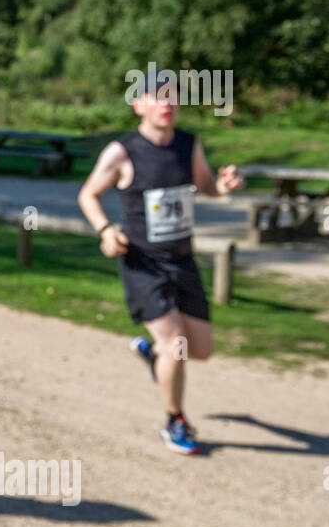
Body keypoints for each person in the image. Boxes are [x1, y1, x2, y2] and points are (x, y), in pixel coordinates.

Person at [77, 77, 245, 454]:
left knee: (199, 350)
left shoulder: (189, 144)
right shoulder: (122, 152)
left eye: (172, 98)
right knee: (177, 344)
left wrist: (224, 186)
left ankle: (153, 357)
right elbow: (88, 194)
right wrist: (105, 230)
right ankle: (175, 421)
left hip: (182, 260)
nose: (165, 104)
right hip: (143, 263)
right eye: (156, 97)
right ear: (139, 105)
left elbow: (206, 186)